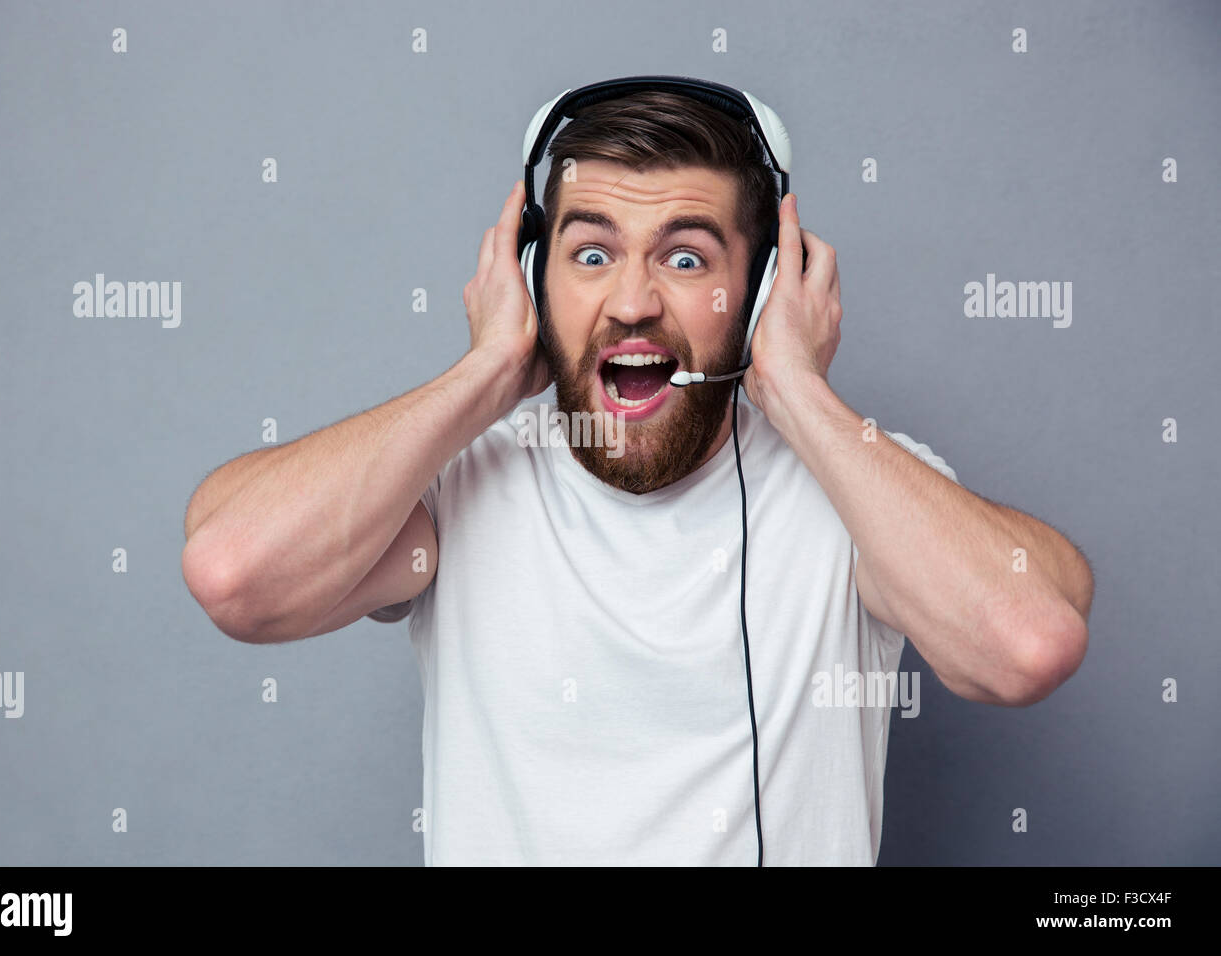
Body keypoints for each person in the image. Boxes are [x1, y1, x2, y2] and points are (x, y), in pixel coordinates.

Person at [180, 90, 1094, 866]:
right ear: (535, 281)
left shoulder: (856, 495)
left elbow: (1026, 643)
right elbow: (235, 574)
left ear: (769, 288)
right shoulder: (449, 495)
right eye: (589, 254)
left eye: (686, 256)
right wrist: (487, 373)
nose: (630, 302)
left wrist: (797, 388)